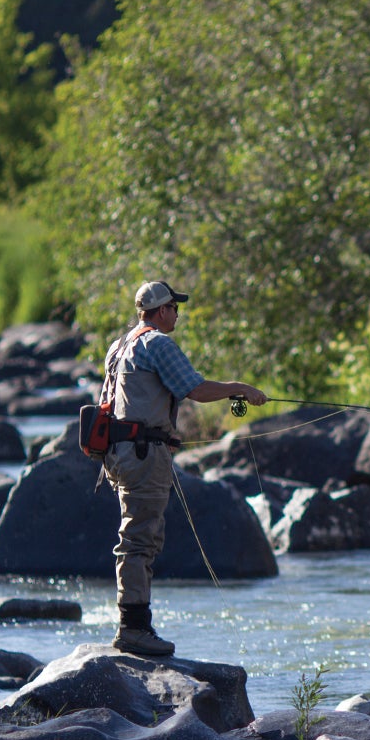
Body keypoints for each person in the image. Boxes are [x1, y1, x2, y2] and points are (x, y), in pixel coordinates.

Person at [100, 280, 267, 655]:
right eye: (175, 308)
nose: (177, 315)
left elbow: (119, 404)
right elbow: (196, 389)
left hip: (121, 454)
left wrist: (163, 435)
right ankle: (133, 629)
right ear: (162, 311)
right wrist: (240, 387)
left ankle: (135, 624)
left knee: (137, 536)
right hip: (142, 455)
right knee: (140, 539)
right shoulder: (158, 343)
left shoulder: (119, 345)